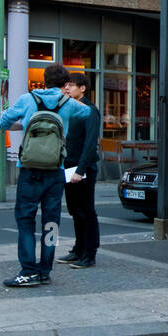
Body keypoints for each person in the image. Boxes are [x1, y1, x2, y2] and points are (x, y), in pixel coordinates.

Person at [0, 63, 91, 287]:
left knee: (25, 221)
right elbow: (87, 112)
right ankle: (44, 271)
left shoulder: (28, 99)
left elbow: (3, 122)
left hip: (29, 170)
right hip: (55, 171)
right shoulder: (68, 103)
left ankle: (28, 271)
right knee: (51, 223)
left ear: (43, 80)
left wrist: (25, 125)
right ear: (65, 83)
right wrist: (67, 96)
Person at [60, 72, 102, 268]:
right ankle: (78, 249)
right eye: (65, 85)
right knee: (75, 210)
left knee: (87, 211)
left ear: (82, 88)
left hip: (83, 167)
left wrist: (81, 169)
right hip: (69, 166)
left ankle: (89, 253)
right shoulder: (70, 108)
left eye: (71, 85)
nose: (67, 88)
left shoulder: (89, 110)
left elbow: (90, 143)